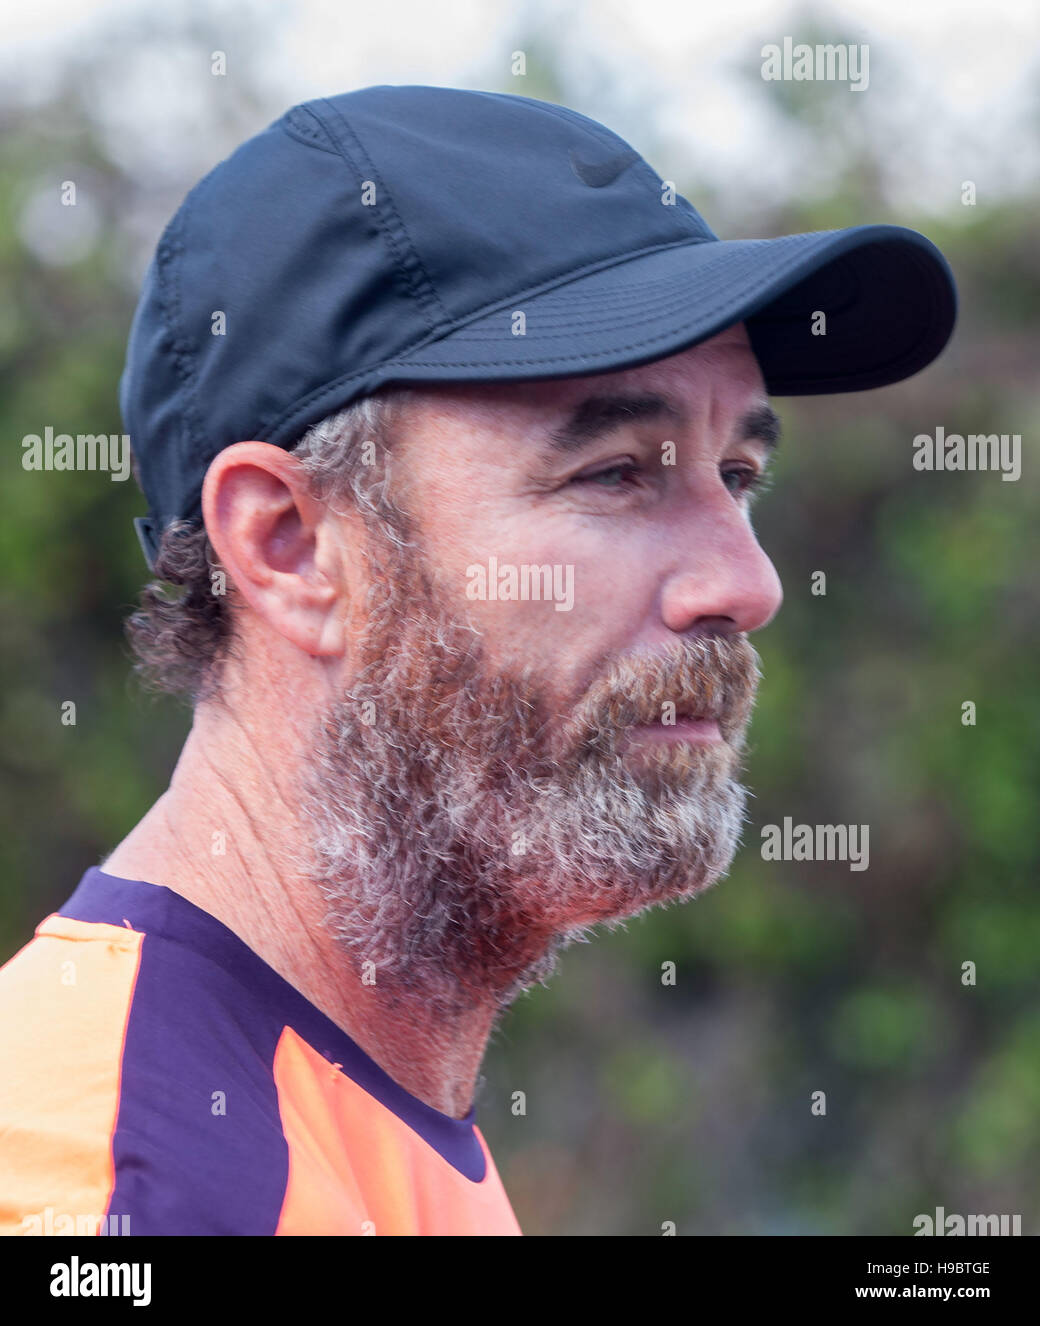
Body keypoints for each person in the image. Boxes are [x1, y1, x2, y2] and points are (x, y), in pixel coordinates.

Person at [0, 85, 956, 1236]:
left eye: (737, 476)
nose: (746, 585)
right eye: (614, 473)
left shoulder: (349, 1094)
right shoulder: (114, 1195)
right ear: (290, 546)